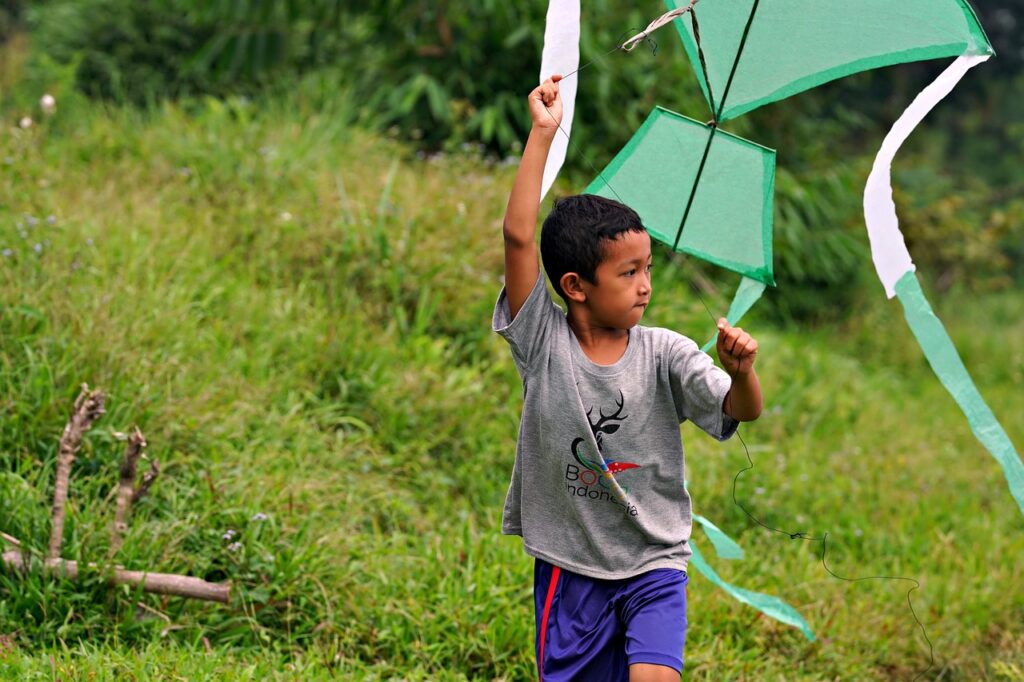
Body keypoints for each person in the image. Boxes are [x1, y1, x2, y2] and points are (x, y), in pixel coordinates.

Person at [492, 75, 763, 681]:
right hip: (572, 566)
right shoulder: (542, 341)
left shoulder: (665, 352)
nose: (646, 284)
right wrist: (542, 133)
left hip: (654, 564)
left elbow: (740, 411)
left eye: (647, 268)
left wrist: (740, 372)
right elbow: (516, 237)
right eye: (628, 272)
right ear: (575, 287)